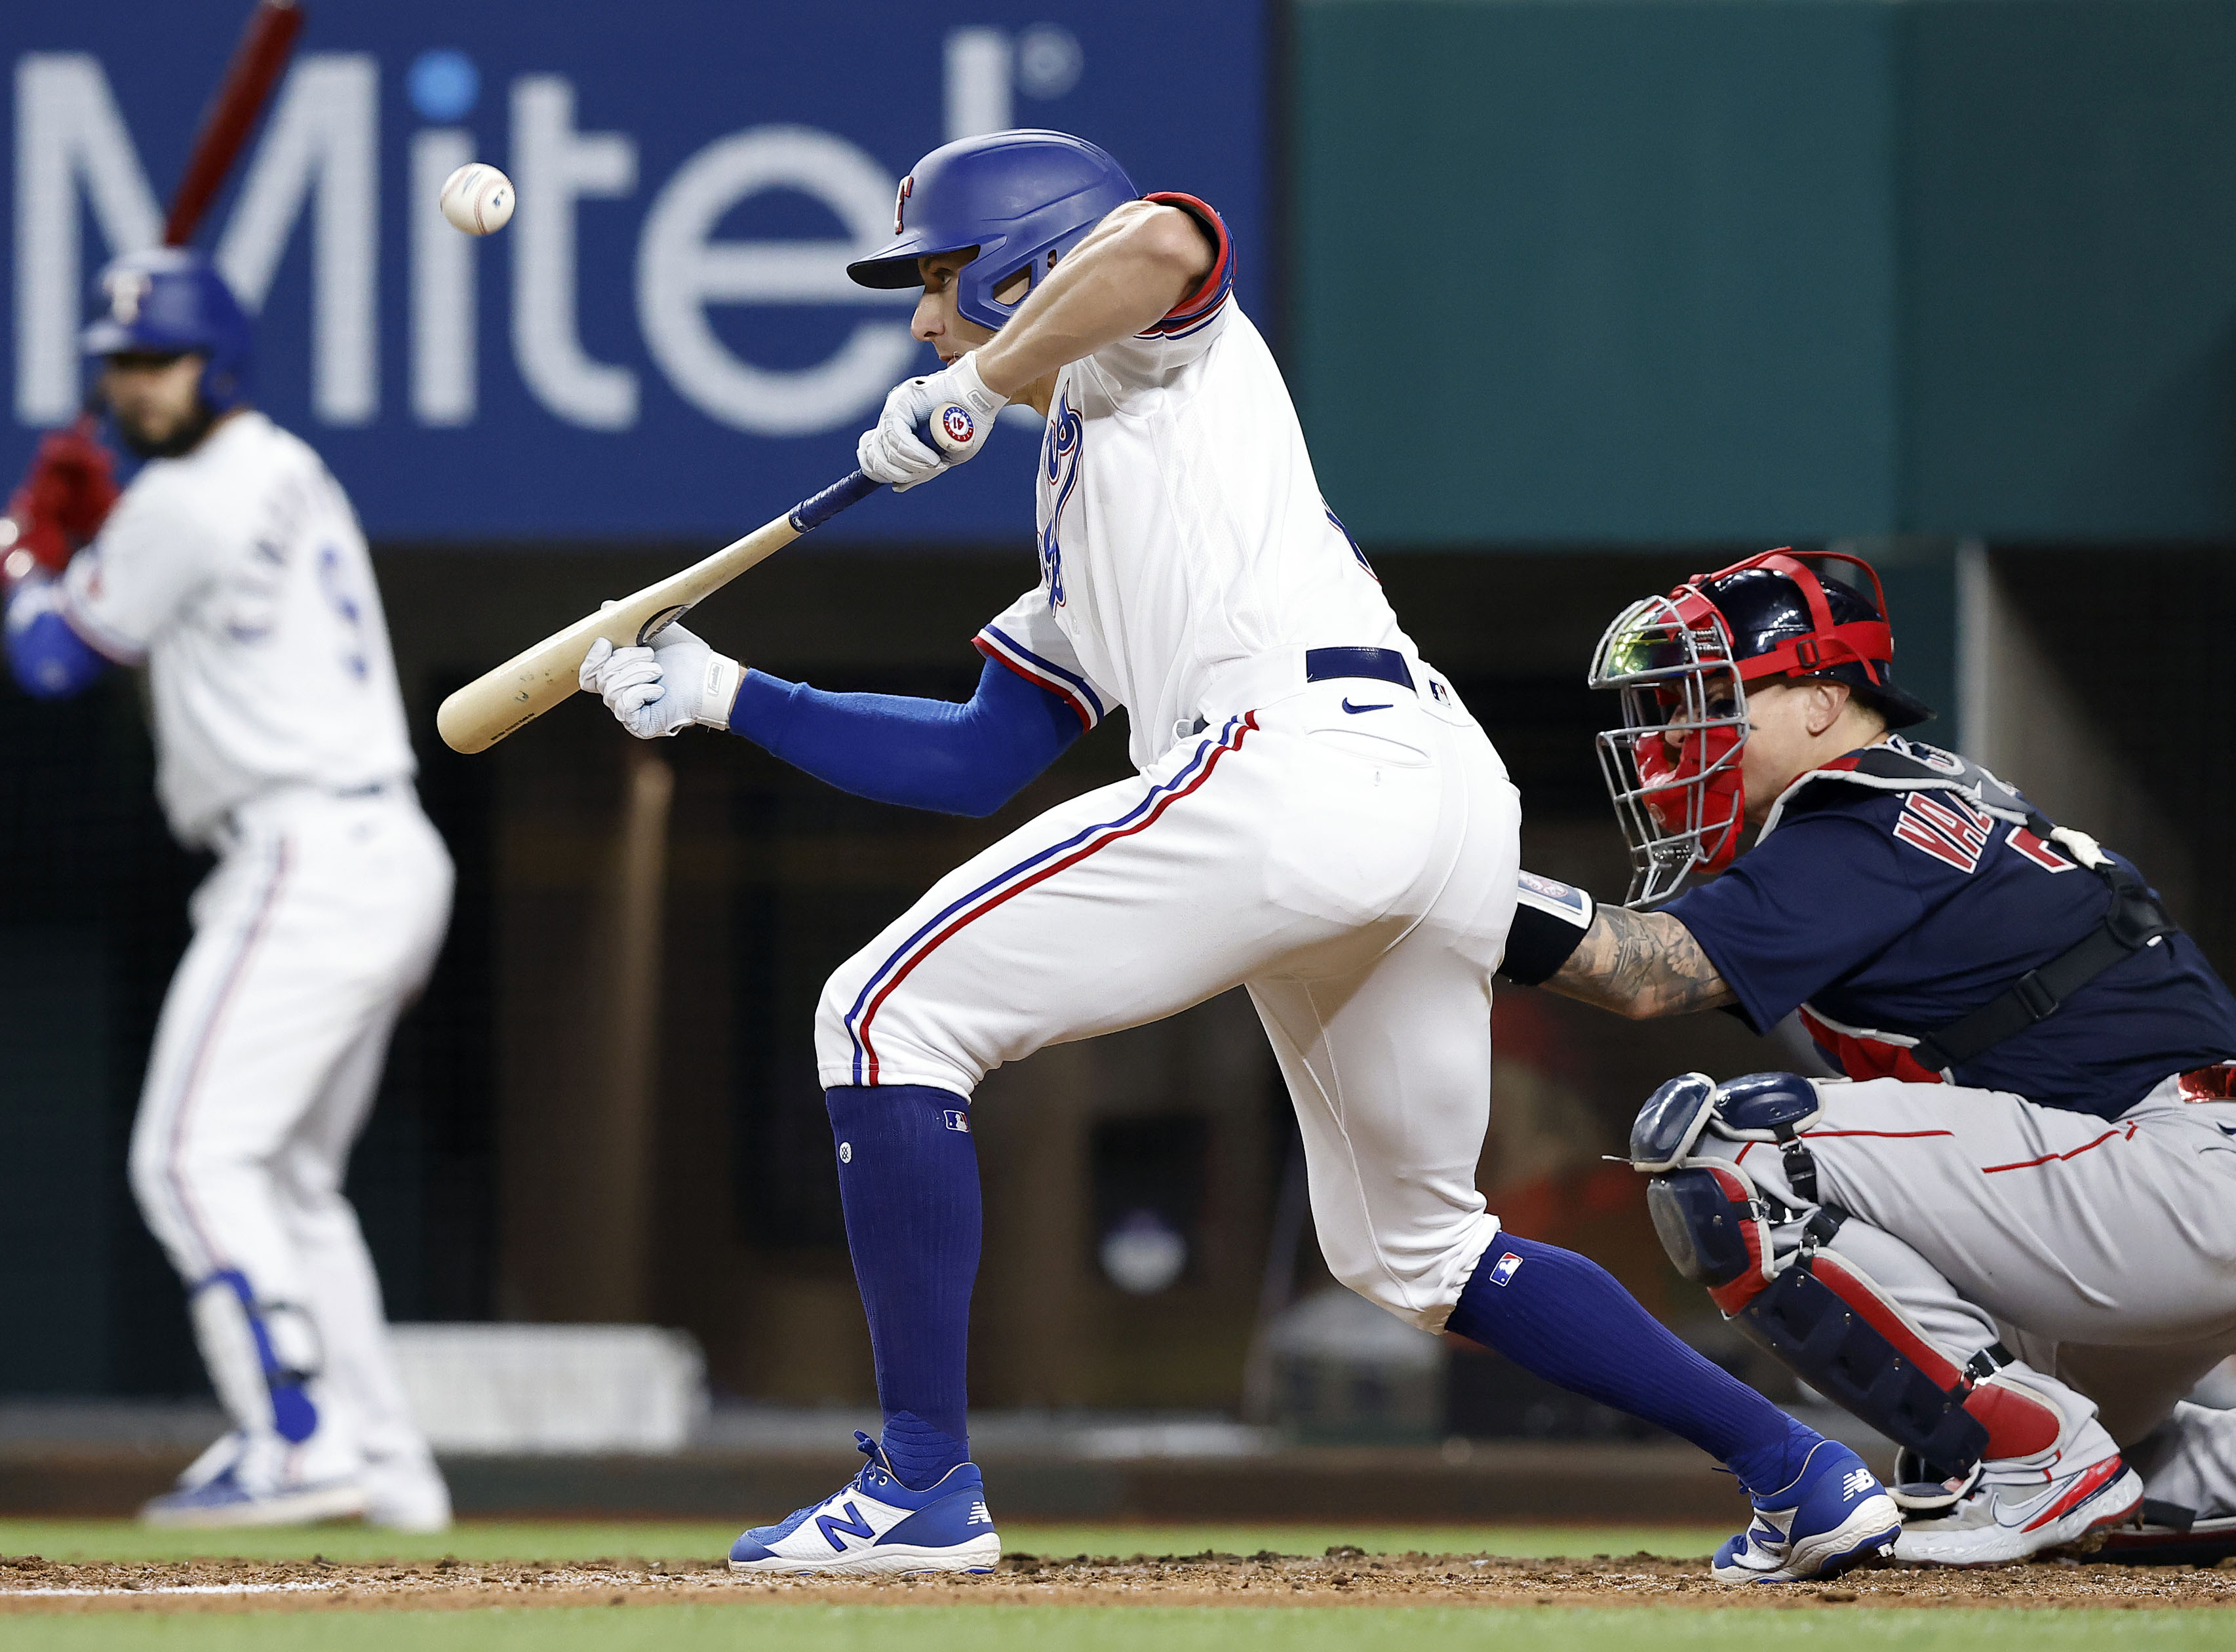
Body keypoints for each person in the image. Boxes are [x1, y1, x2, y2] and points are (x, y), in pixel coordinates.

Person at [578, 130, 1899, 1583]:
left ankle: (917, 1485)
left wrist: (974, 384)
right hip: (1424, 800)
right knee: (1412, 1251)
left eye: (945, 281)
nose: (919, 318)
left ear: (1026, 263)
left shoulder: (1154, 350)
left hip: (1300, 761)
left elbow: (1161, 241)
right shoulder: (1089, 503)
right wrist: (730, 697)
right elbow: (969, 755)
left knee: (880, 1014)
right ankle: (1801, 1470)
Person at [1499, 548, 2236, 1565]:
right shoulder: (1925, 802)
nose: (1679, 734)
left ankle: (2040, 1460)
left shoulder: (1866, 809)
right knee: (1865, 1333)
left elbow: (1646, 974)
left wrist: (1444, 883)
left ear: (1818, 698)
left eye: (1713, 698)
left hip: (2168, 1180)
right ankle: (2188, 1467)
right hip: (2156, 1207)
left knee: (1732, 1157)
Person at [1, 248, 453, 1530]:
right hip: (382, 848)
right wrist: (87, 535)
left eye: (161, 362)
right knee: (291, 1183)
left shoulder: (185, 502)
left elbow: (48, 658)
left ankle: (295, 1438)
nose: (137, 386)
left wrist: (26, 545)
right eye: (124, 365)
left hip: (303, 854)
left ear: (222, 363)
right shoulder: (284, 467)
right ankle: (388, 1465)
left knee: (190, 1162)